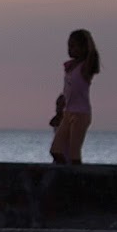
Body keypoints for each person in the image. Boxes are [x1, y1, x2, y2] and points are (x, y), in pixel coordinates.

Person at [50, 28, 100, 164]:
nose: (70, 49)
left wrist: (88, 39)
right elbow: (68, 89)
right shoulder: (70, 68)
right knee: (56, 150)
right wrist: (61, 103)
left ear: (84, 48)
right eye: (68, 46)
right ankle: (65, 171)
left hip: (81, 114)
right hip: (68, 112)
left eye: (73, 46)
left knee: (74, 152)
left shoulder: (85, 68)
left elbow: (92, 54)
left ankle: (76, 174)